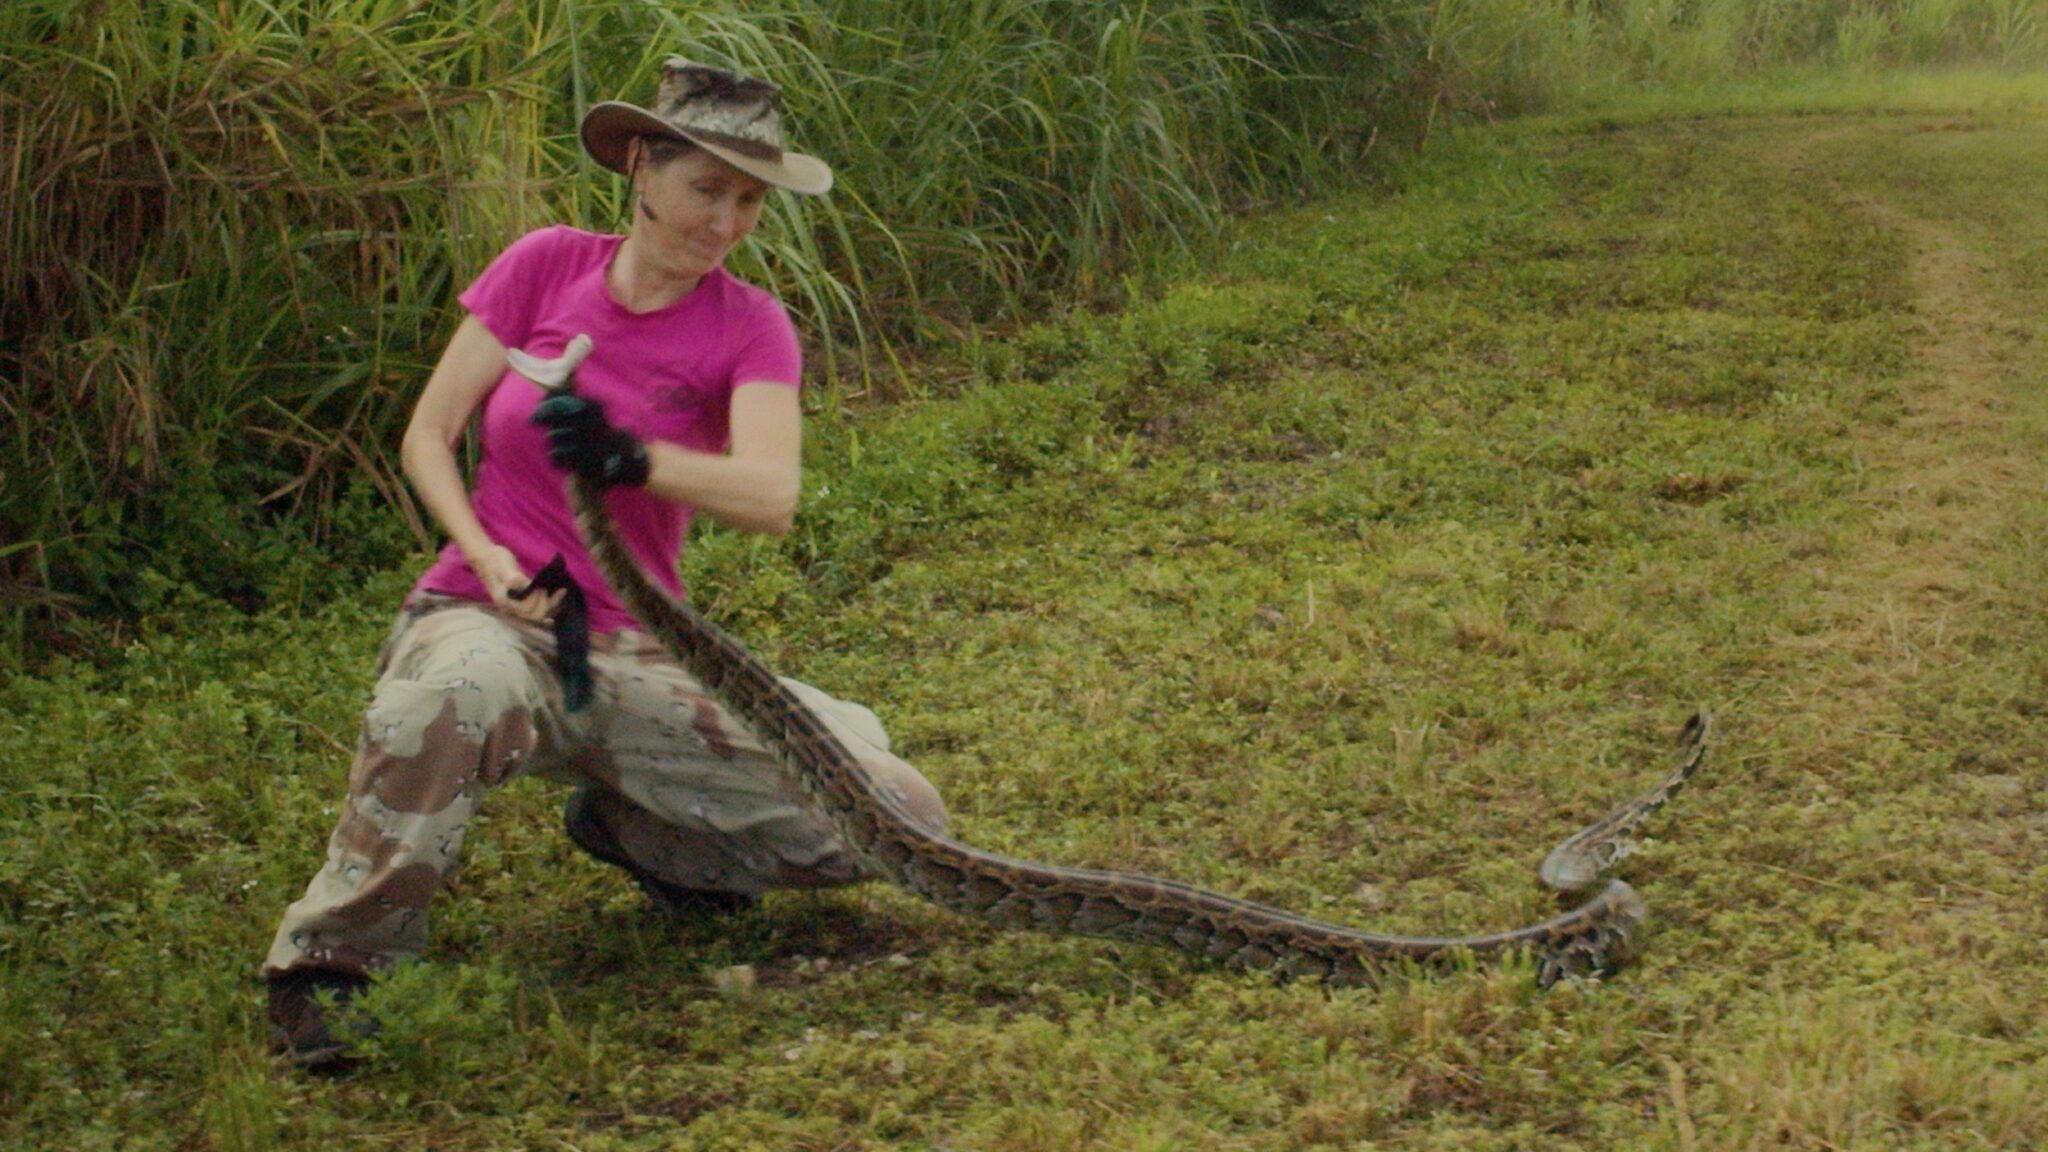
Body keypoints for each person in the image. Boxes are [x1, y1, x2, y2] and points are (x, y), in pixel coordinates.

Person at [261, 57, 948, 1071]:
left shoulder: (750, 325)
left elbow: (771, 495)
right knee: (452, 691)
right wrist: (486, 553)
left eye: (749, 200)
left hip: (631, 646)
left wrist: (636, 461)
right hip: (493, 617)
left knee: (900, 818)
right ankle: (333, 964)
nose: (724, 224)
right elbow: (429, 433)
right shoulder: (543, 265)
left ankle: (641, 833)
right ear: (639, 165)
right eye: (704, 189)